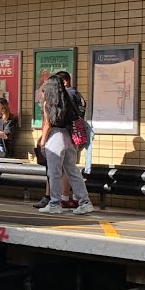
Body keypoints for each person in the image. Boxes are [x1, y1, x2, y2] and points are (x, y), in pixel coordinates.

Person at [37, 74, 93, 214]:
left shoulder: (48, 103)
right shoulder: (68, 101)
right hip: (69, 138)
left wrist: (43, 142)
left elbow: (47, 124)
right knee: (72, 171)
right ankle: (85, 202)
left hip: (55, 138)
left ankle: (54, 204)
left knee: (54, 172)